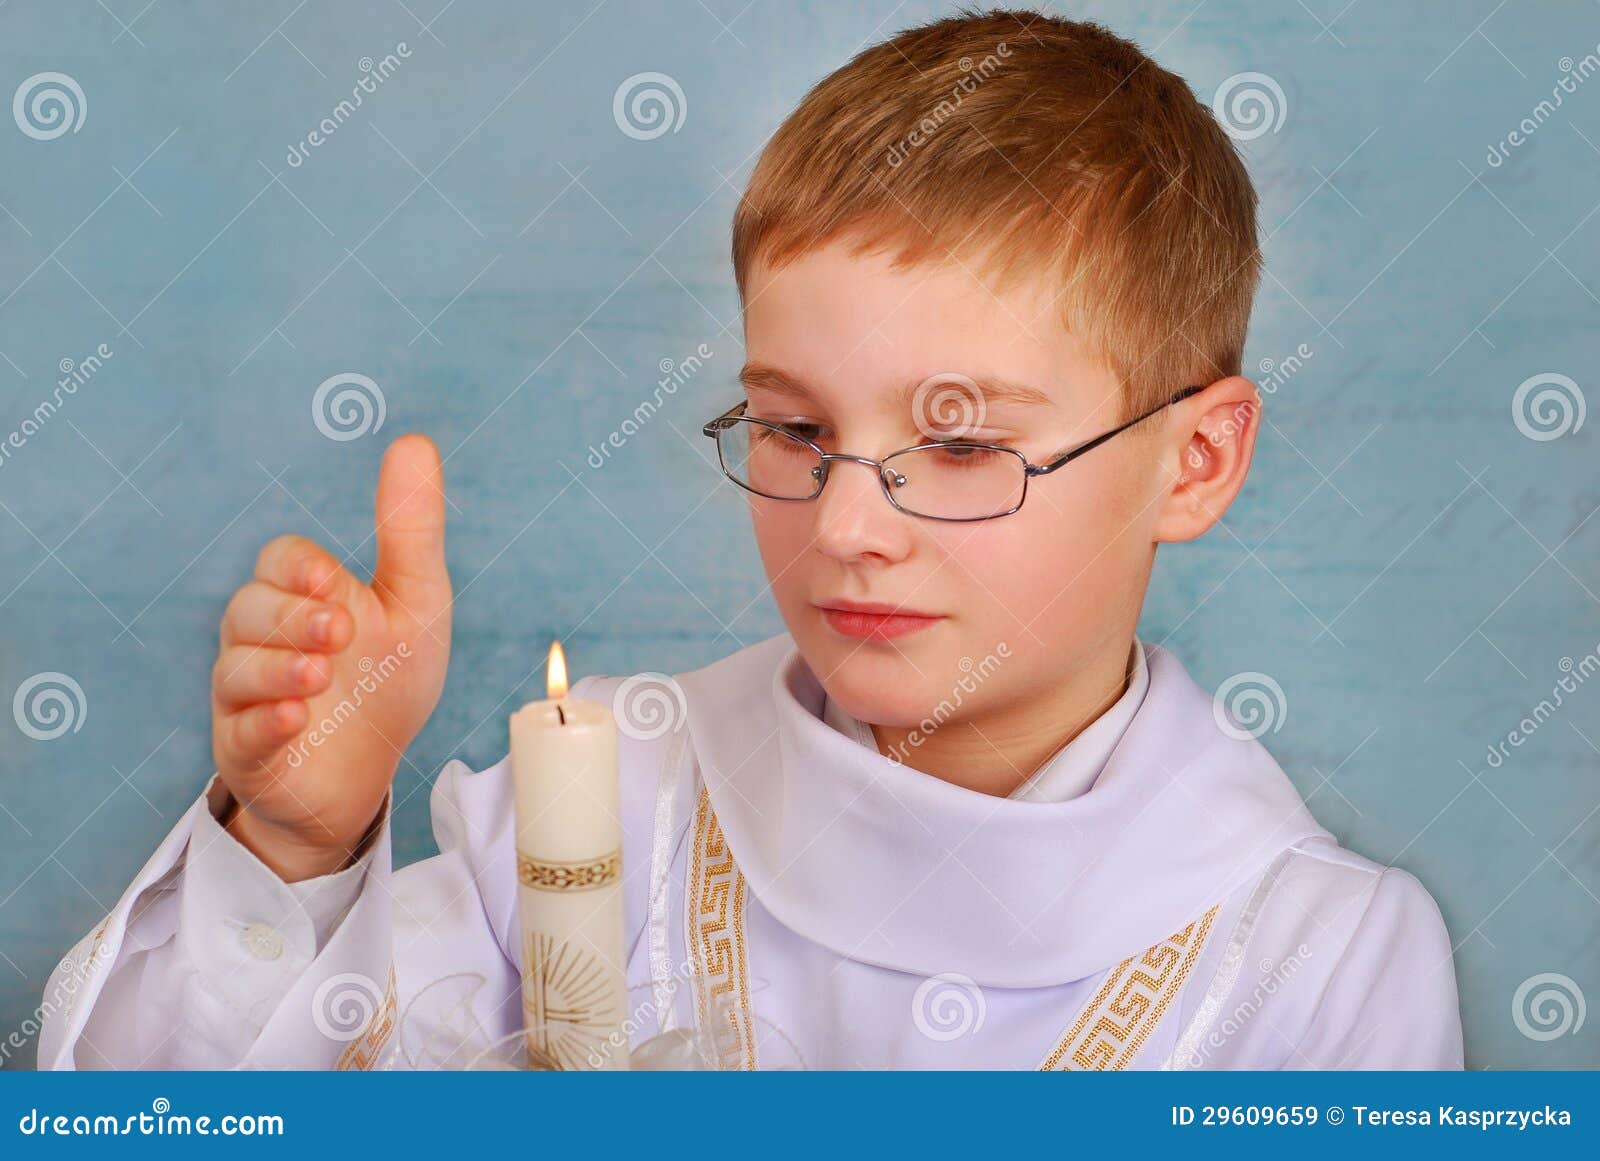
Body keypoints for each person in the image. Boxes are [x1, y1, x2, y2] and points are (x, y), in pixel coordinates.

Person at [39, 9, 1463, 1070]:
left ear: (1194, 460)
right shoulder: (599, 803)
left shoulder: (1321, 959)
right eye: (791, 430)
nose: (846, 527)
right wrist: (292, 842)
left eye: (960, 445)